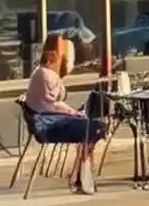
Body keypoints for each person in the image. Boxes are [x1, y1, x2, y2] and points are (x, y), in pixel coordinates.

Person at [24, 34, 106, 194]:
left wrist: (73, 113)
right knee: (95, 127)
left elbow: (51, 103)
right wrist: (74, 113)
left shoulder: (40, 72)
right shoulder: (47, 75)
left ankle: (81, 175)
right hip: (48, 126)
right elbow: (52, 105)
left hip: (46, 121)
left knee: (88, 126)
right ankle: (83, 175)